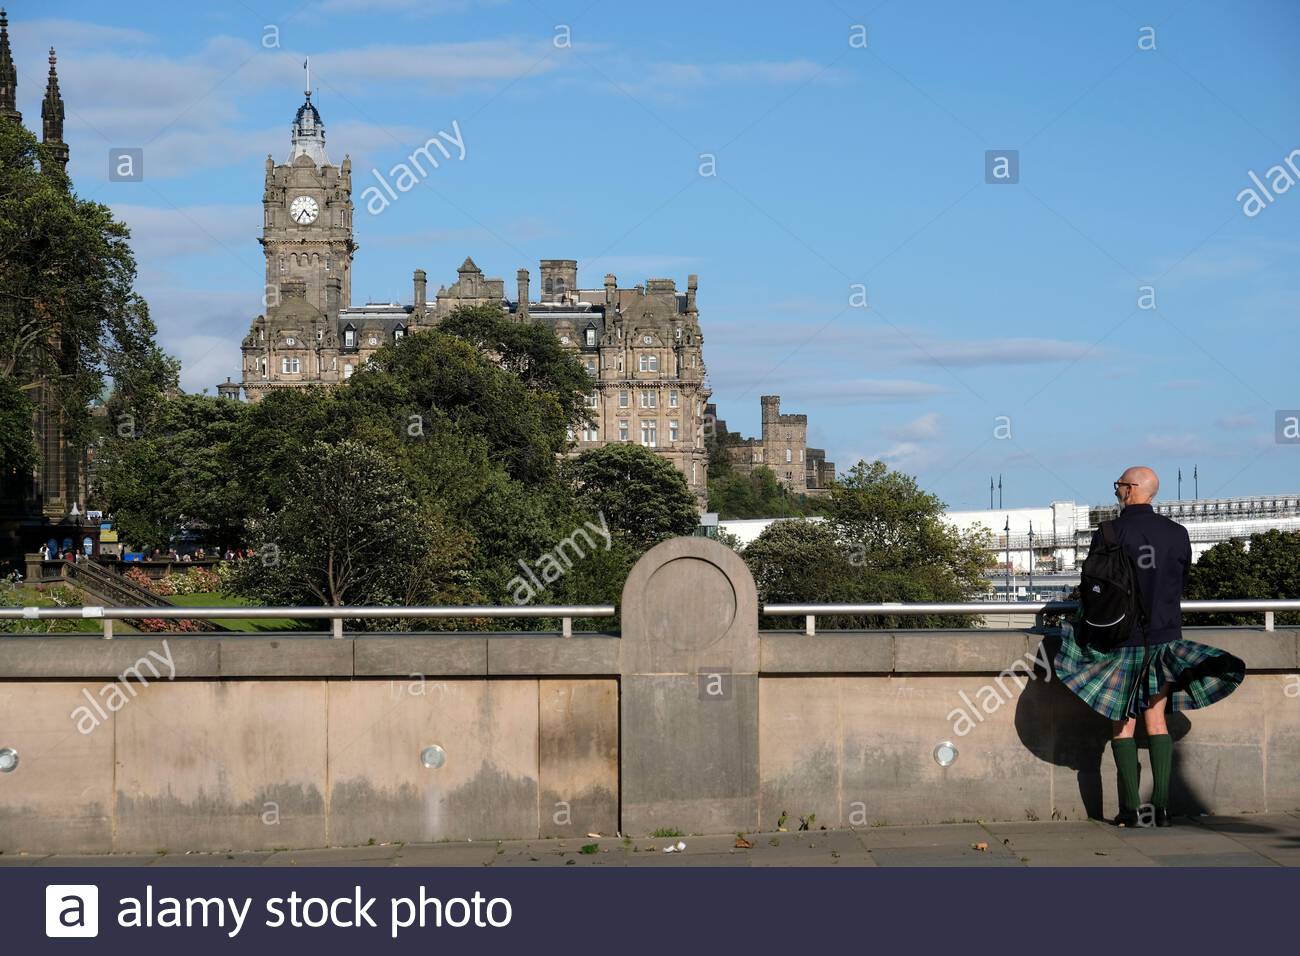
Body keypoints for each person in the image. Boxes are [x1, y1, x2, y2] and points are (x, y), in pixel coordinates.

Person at [1055, 466, 1245, 827]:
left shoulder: (1110, 532)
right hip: (1164, 639)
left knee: (1121, 725)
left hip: (1119, 642)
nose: (1116, 492)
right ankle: (1160, 810)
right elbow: (1181, 580)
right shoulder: (1177, 533)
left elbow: (1094, 589)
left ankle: (1130, 811)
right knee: (1157, 721)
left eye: (1119, 486)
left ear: (1131, 489)